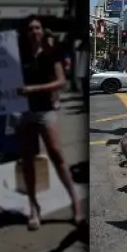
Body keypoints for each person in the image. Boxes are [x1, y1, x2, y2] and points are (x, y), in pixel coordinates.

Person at [13, 15, 83, 230]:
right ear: (25, 32)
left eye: (37, 27)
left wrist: (33, 90)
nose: (34, 31)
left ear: (42, 30)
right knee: (27, 159)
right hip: (23, 112)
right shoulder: (18, 54)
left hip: (45, 110)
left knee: (56, 153)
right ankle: (34, 207)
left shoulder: (51, 54)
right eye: (30, 28)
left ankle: (76, 204)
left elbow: (60, 81)